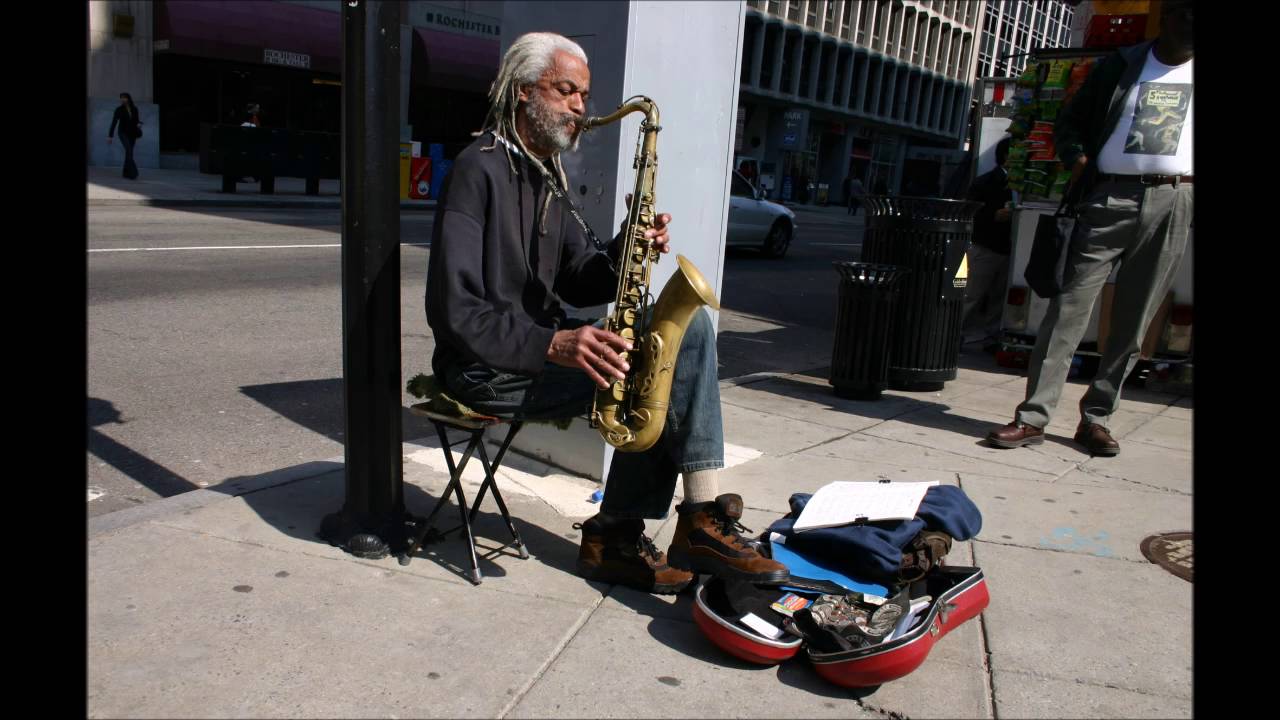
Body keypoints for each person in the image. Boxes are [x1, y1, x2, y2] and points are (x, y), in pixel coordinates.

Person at [423, 32, 788, 595]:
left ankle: (651, 527)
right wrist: (554, 344)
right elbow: (454, 309)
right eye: (565, 91)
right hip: (481, 369)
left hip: (529, 359)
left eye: (583, 95)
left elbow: (579, 278)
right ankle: (663, 525)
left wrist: (627, 247)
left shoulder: (545, 173)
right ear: (524, 92)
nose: (580, 108)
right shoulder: (479, 169)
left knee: (670, 345)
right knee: (660, 358)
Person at [986, 0, 1193, 457]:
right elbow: (1071, 121)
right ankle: (1033, 417)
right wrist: (1078, 159)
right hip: (1109, 195)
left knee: (1134, 320)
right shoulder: (1122, 64)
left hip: (1175, 199)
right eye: (1187, 13)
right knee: (1068, 310)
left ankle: (1097, 419)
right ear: (1168, 15)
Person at [961, 137, 1014, 351]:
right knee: (972, 294)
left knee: (999, 298)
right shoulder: (985, 182)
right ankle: (956, 333)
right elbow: (969, 213)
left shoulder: (1022, 185)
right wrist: (994, 215)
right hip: (985, 247)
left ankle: (992, 336)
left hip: (1007, 249)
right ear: (1007, 156)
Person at [107, 92, 141, 180]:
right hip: (122, 132)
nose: (123, 99)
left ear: (129, 98)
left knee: (129, 152)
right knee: (129, 150)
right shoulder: (119, 109)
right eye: (121, 98)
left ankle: (125, 173)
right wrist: (110, 136)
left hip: (133, 133)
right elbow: (114, 122)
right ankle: (133, 173)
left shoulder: (134, 109)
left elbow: (136, 120)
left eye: (124, 97)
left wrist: (139, 124)